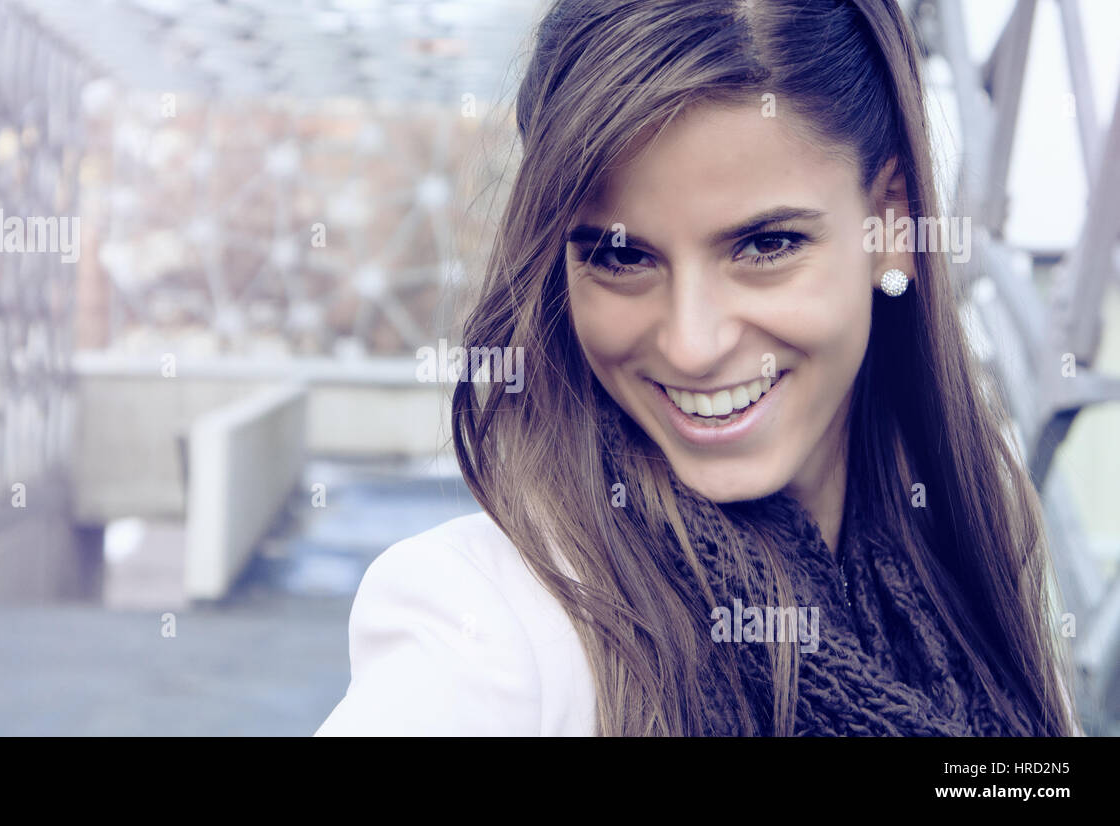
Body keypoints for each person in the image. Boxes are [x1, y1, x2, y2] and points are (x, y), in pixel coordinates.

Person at [316, 0, 1079, 736]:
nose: (691, 344)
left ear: (895, 224)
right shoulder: (486, 629)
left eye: (766, 246)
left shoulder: (979, 534)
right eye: (620, 256)